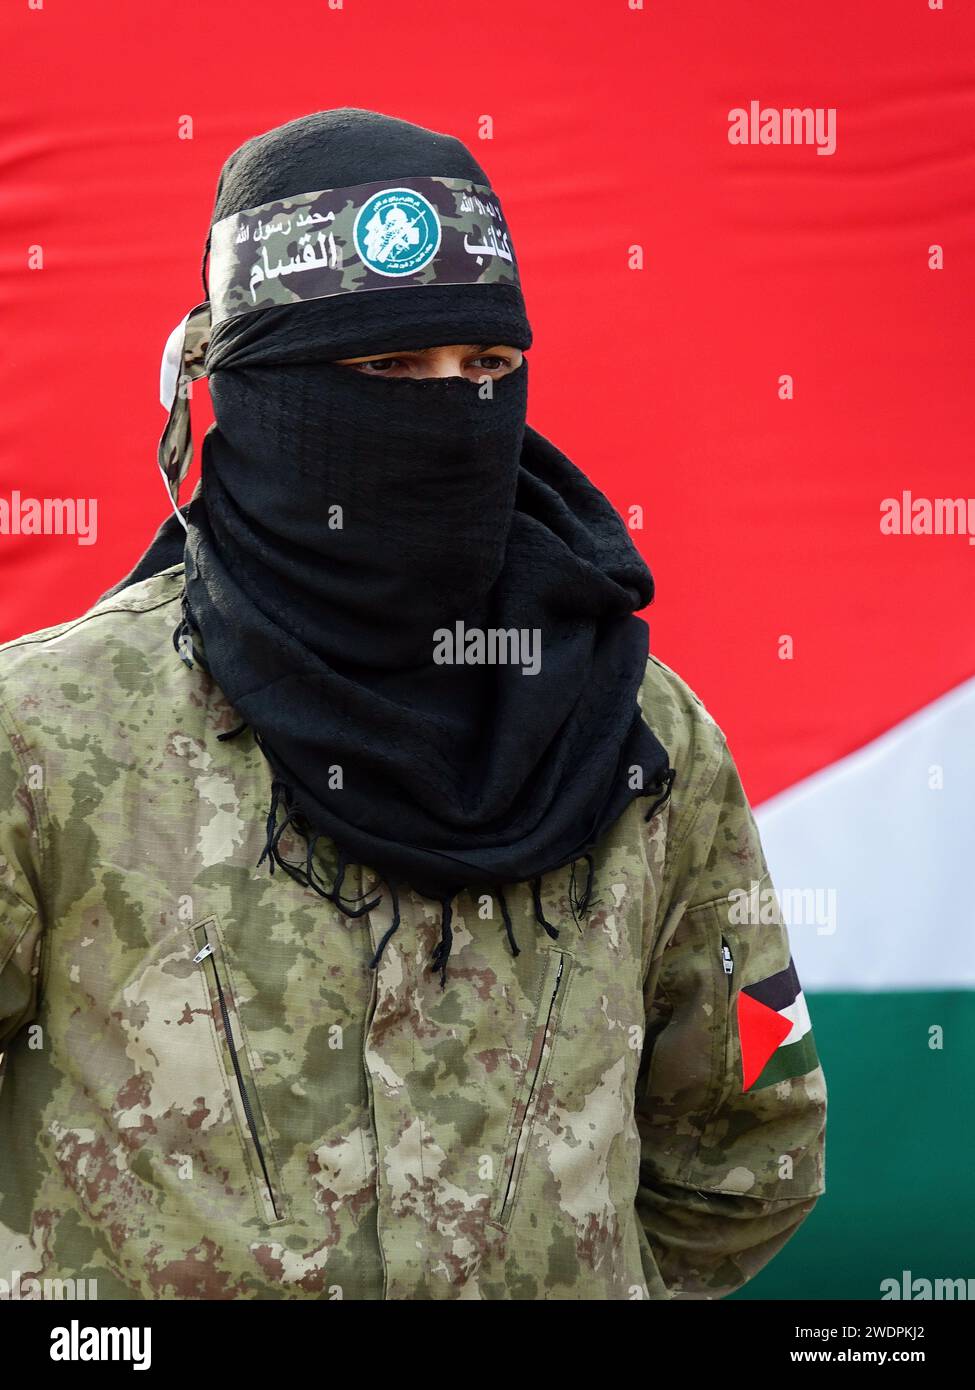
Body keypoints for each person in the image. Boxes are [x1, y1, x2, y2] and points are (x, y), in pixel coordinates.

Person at [0, 108, 826, 1301]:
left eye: (485, 369)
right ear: (253, 389)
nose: (450, 410)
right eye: (387, 369)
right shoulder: (50, 736)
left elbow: (748, 1158)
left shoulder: (643, 733)